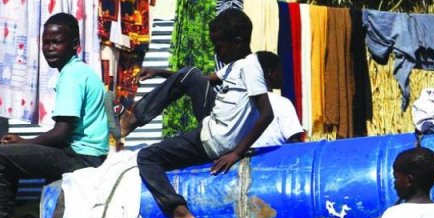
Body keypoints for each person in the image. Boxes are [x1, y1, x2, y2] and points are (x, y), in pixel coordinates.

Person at [0, 12, 110, 218]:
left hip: (82, 157)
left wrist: (24, 140)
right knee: (10, 156)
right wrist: (23, 144)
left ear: (74, 44)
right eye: (46, 42)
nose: (50, 48)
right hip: (83, 152)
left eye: (56, 42)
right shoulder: (77, 72)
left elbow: (61, 134)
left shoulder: (72, 76)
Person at [129, 7, 273, 218]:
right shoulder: (235, 65)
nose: (217, 52)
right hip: (213, 126)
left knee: (146, 157)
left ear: (237, 42)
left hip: (215, 138)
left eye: (219, 46)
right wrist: (160, 73)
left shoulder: (250, 66)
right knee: (191, 74)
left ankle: (179, 214)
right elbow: (194, 80)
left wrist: (237, 152)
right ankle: (133, 118)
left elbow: (266, 114)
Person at [121, 51, 305, 150]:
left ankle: (133, 119)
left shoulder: (239, 78)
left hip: (220, 138)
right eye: (281, 70)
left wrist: (160, 72)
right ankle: (133, 119)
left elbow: (195, 79)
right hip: (228, 142)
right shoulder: (282, 103)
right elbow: (296, 144)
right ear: (270, 73)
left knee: (191, 73)